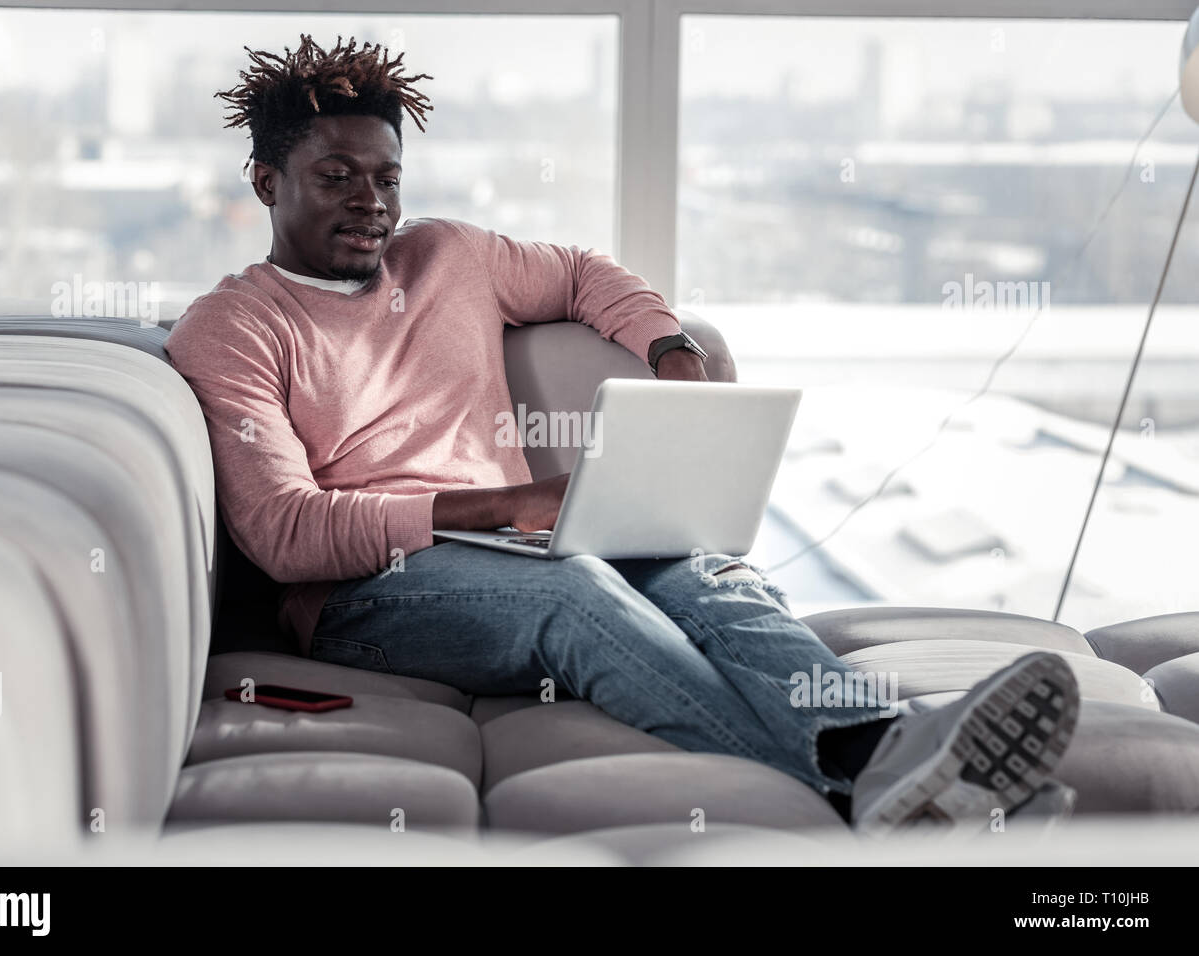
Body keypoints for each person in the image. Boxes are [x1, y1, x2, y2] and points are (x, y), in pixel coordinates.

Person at [165, 34, 1080, 832]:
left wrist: (670, 347)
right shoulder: (233, 326)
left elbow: (582, 274)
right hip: (365, 599)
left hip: (524, 545)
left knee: (706, 573)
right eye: (336, 177)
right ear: (265, 179)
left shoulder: (450, 256)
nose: (372, 202)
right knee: (577, 596)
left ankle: (894, 751)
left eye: (387, 177)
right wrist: (502, 504)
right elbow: (288, 533)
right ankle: (866, 790)